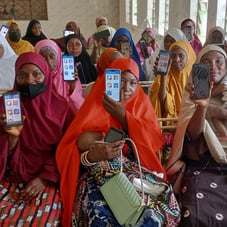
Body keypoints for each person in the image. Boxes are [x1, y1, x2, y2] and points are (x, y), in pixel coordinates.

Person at [56, 57, 181, 227]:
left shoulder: (143, 106)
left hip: (136, 173)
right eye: (121, 81)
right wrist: (92, 156)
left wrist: (123, 116)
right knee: (99, 213)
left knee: (155, 210)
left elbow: (151, 146)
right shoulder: (94, 104)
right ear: (109, 80)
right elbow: (74, 149)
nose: (126, 88)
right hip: (97, 176)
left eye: (132, 83)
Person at [0, 52, 74, 226]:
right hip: (10, 175)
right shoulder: (5, 105)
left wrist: (44, 178)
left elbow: (67, 149)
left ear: (46, 75)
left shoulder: (62, 108)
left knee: (42, 222)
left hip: (47, 178)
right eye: (22, 75)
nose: (29, 80)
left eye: (36, 74)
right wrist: (11, 138)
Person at [166, 45, 227, 227]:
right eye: (206, 63)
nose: (213, 67)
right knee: (194, 215)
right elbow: (192, 134)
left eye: (219, 62)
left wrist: (217, 110)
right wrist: (203, 107)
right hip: (204, 164)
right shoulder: (191, 89)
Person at [150, 40, 196, 122]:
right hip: (169, 125)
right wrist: (164, 76)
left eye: (181, 56)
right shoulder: (164, 76)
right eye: (173, 56)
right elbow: (162, 104)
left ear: (188, 57)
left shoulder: (195, 78)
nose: (176, 60)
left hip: (190, 123)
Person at [35, 39, 84, 113]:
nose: (49, 62)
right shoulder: (35, 80)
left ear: (58, 56)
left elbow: (81, 110)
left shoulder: (70, 77)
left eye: (52, 56)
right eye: (43, 58)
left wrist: (72, 88)